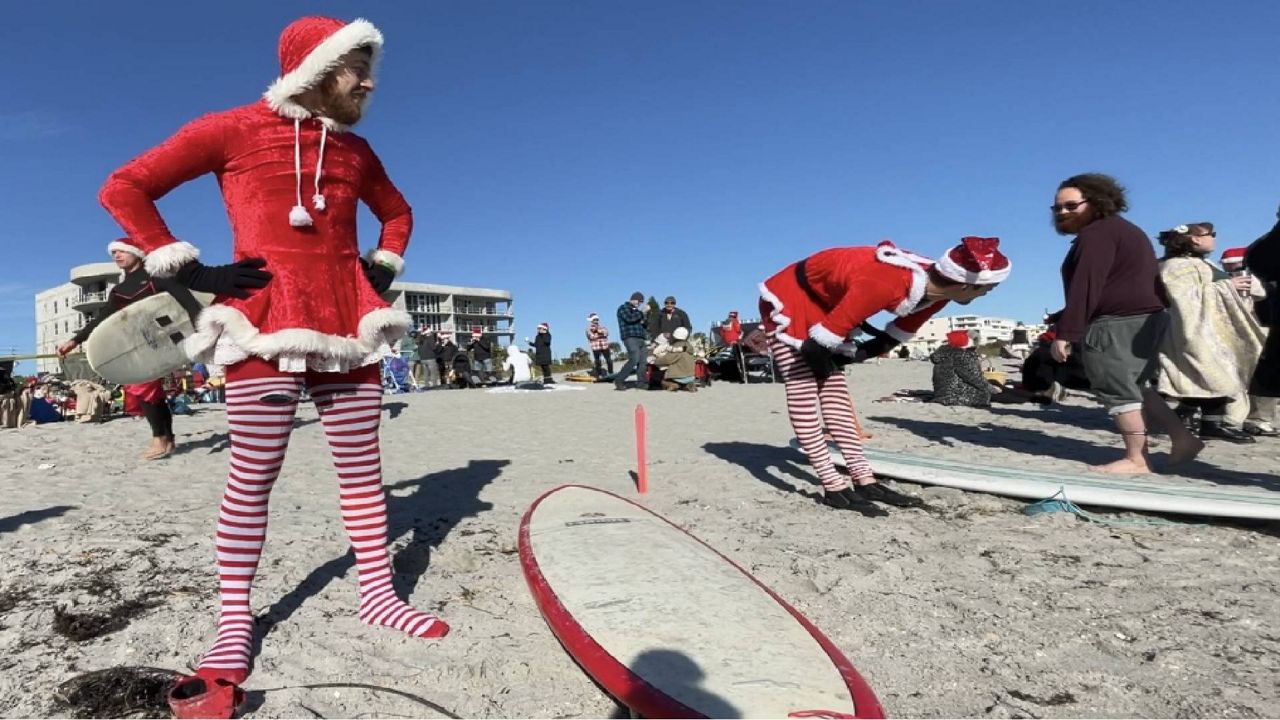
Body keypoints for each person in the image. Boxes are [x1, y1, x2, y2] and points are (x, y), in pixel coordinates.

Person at [98, 16, 447, 702]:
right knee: (253, 476)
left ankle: (378, 595)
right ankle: (234, 620)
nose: (370, 82)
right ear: (316, 66)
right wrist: (189, 269)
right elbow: (124, 186)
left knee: (362, 471)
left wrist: (382, 265)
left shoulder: (356, 151)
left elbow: (398, 212)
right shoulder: (230, 128)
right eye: (357, 67)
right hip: (260, 325)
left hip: (348, 327)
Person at [759, 236, 1009, 512]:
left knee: (834, 391)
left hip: (827, 300)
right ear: (966, 285)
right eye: (988, 289)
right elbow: (814, 348)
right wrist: (825, 367)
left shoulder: (940, 294)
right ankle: (832, 485)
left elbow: (889, 339)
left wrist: (843, 360)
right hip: (790, 296)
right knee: (804, 388)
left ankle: (864, 479)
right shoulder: (884, 282)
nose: (986, 294)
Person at [1046, 173, 1203, 473]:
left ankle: (1137, 459)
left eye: (1071, 205)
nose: (1062, 212)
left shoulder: (1098, 234)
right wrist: (1063, 315)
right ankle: (1183, 439)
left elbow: (1087, 283)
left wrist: (1066, 332)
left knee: (1116, 385)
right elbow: (1115, 282)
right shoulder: (1121, 230)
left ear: (1097, 202)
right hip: (1146, 317)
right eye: (1057, 208)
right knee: (1136, 386)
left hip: (1118, 322)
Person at [57, 241, 206, 459]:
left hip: (167, 339)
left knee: (144, 389)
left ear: (137, 253)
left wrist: (201, 329)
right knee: (152, 393)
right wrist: (75, 340)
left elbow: (186, 299)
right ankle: (167, 439)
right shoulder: (119, 290)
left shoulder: (156, 277)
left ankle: (159, 439)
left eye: (122, 251)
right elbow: (102, 319)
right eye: (113, 252)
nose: (116, 255)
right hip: (140, 345)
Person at [1154, 225, 1265, 443]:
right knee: (1213, 376)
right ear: (1194, 239)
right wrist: (1227, 286)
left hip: (1210, 330)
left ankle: (1194, 418)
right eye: (1210, 235)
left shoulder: (1204, 264)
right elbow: (1183, 298)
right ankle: (1209, 424)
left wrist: (1240, 288)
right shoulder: (1175, 266)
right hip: (1191, 331)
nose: (1214, 239)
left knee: (1213, 377)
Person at [930, 330, 996, 407]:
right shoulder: (960, 355)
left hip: (942, 394)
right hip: (956, 396)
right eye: (975, 340)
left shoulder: (944, 353)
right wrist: (993, 389)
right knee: (990, 393)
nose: (977, 344)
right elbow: (974, 378)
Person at [615, 292, 649, 391]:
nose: (640, 303)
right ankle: (619, 380)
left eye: (641, 302)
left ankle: (641, 383)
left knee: (643, 361)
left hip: (641, 337)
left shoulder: (637, 311)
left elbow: (644, 325)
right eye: (639, 301)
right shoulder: (623, 308)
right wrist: (642, 312)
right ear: (633, 299)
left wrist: (644, 320)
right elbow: (629, 319)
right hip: (629, 337)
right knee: (635, 358)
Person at [654, 327, 698, 392]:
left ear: (675, 336)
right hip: (691, 376)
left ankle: (672, 385)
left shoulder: (677, 347)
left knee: (660, 380)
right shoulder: (689, 347)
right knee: (684, 380)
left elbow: (667, 359)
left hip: (677, 376)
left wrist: (656, 361)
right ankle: (688, 385)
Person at [585, 313, 613, 378]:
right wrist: (601, 334)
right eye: (594, 319)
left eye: (597, 319)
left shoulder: (603, 327)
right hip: (596, 347)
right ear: (591, 320)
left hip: (604, 345)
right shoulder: (588, 329)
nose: (596, 321)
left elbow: (606, 333)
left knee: (609, 360)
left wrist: (598, 332)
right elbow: (591, 336)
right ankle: (599, 374)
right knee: (597, 361)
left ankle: (611, 372)